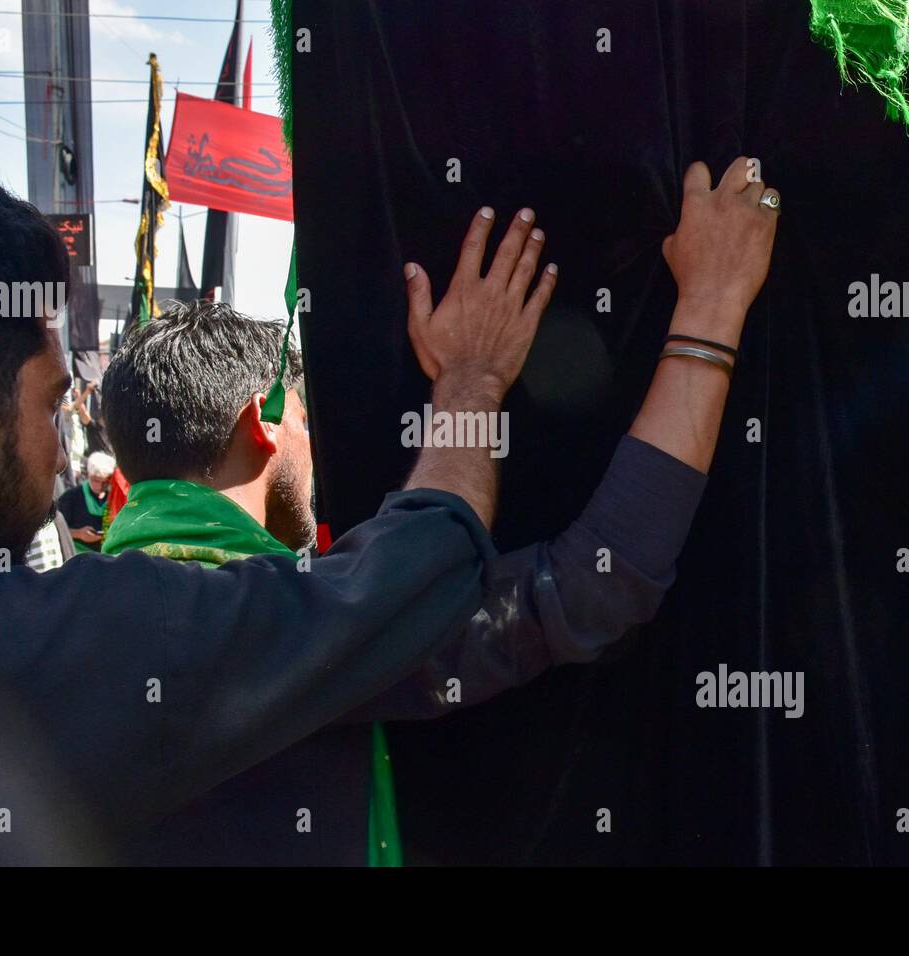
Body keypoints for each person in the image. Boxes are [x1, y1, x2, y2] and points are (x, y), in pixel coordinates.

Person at [0, 142, 554, 863]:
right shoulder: (32, 650)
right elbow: (418, 571)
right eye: (49, 405)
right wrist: (471, 384)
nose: (59, 452)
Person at [99, 157, 780, 865]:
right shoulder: (297, 631)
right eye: (305, 416)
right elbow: (596, 583)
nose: (318, 450)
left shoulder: (55, 622)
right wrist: (709, 309)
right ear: (259, 424)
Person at [56, 450, 115, 552]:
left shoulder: (114, 497)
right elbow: (57, 529)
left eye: (105, 482)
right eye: (95, 480)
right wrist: (79, 534)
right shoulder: (71, 497)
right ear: (88, 475)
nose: (100, 486)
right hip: (79, 555)